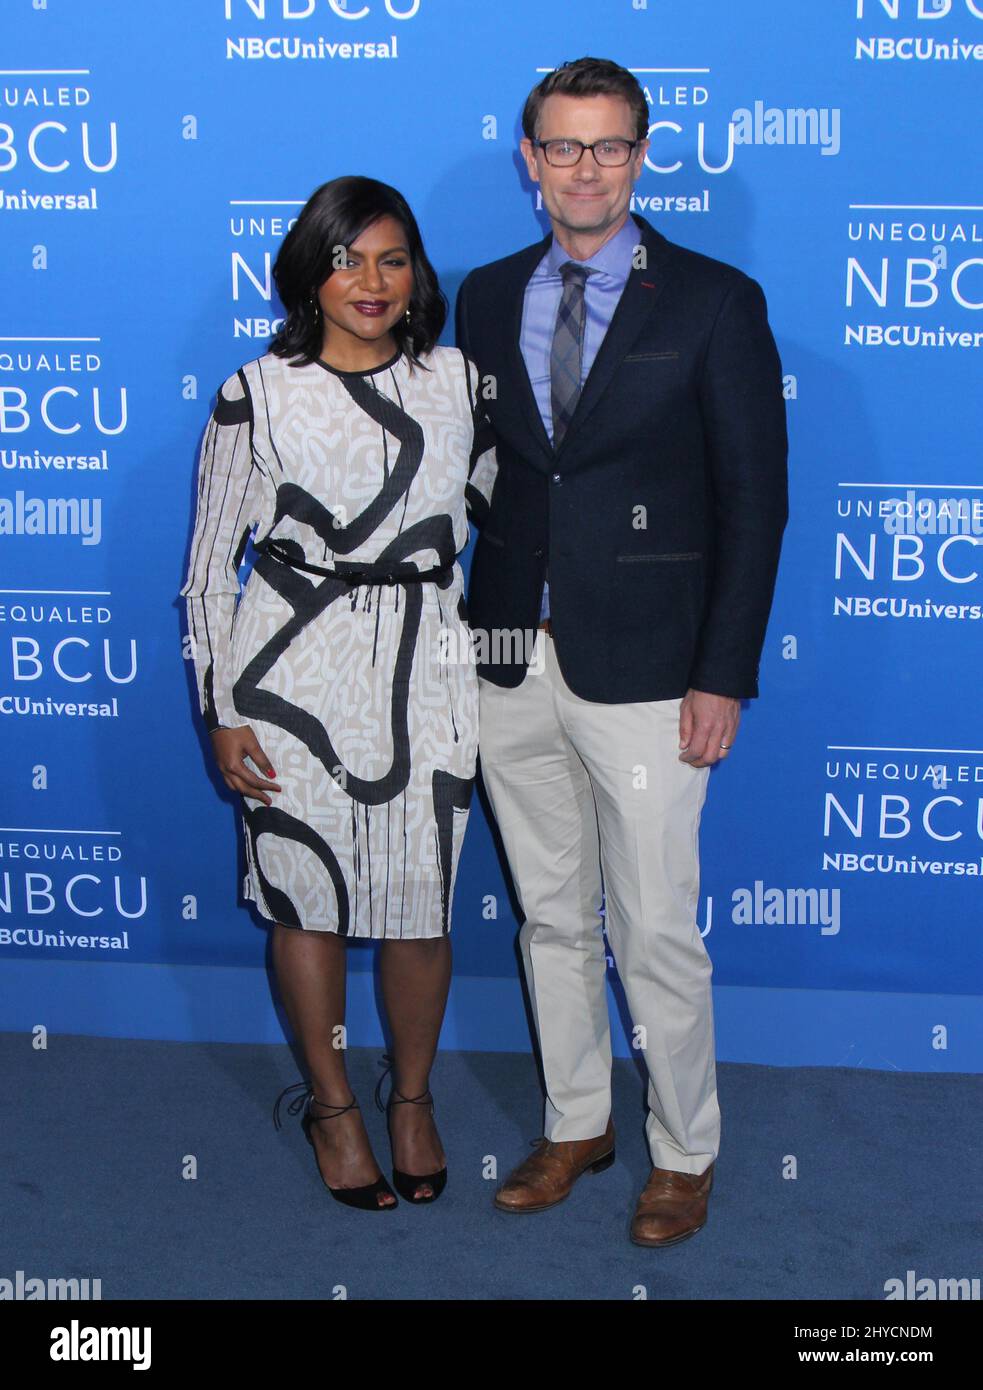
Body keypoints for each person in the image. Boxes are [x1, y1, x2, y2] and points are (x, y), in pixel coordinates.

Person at [455, 58, 788, 1245]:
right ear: (528, 161)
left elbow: (752, 501)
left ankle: (684, 1150)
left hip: (653, 668)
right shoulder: (486, 296)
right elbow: (487, 470)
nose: (583, 169)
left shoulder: (711, 299)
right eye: (561, 147)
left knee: (652, 922)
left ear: (640, 155)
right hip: (504, 648)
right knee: (550, 912)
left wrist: (721, 672)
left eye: (606, 147)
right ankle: (576, 1120)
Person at [180, 176, 497, 1211]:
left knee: (419, 903)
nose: (370, 281)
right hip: (288, 669)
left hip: (426, 665)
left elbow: (511, 511)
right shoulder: (254, 393)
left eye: (392, 259)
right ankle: (330, 1106)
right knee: (303, 897)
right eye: (345, 258)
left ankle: (409, 1098)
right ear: (306, 274)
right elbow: (202, 571)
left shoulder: (457, 383)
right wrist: (220, 709)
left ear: (417, 277)